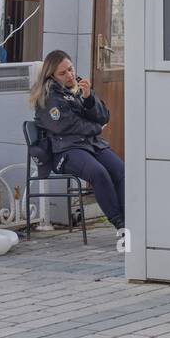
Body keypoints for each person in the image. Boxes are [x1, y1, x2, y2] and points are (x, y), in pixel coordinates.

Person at [29, 49, 125, 231]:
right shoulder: (48, 97)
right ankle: (120, 224)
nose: (70, 75)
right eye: (62, 73)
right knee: (99, 174)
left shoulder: (78, 88)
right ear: (52, 76)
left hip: (92, 145)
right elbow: (67, 126)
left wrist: (89, 99)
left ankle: (130, 221)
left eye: (70, 69)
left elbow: (104, 116)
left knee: (121, 171)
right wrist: (96, 128)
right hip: (66, 150)